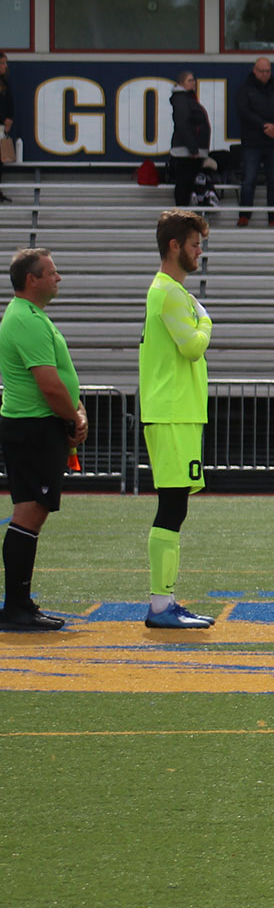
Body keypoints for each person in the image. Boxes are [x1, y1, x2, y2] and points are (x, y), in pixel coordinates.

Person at [138, 210, 217, 629]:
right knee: (172, 506)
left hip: (178, 413)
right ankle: (160, 605)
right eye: (194, 244)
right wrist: (206, 321)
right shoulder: (169, 293)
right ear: (175, 246)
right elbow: (192, 346)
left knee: (175, 506)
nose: (199, 251)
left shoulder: (172, 292)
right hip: (171, 413)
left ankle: (164, 601)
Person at [0, 249, 85, 631]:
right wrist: (72, 417)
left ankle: (18, 605)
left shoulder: (30, 316)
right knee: (30, 512)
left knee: (31, 511)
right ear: (31, 279)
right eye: (51, 272)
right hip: (34, 427)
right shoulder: (26, 319)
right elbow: (49, 385)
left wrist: (77, 411)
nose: (58, 278)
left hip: (34, 425)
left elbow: (60, 380)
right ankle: (16, 607)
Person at [236, 57, 274, 226]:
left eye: (268, 71)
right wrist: (263, 126)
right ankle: (244, 215)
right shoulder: (245, 90)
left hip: (273, 144)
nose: (265, 74)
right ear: (255, 70)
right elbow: (244, 111)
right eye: (262, 71)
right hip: (252, 143)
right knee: (249, 180)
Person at [168, 70, 211, 209]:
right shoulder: (181, 99)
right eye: (189, 80)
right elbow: (183, 124)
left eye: (193, 80)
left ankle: (184, 213)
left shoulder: (189, 98)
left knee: (188, 185)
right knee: (184, 185)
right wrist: (193, 148)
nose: (193, 83)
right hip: (186, 152)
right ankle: (181, 214)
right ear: (181, 83)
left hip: (192, 151)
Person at [0, 52, 14, 203]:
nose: (5, 66)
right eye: (2, 63)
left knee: (1, 160)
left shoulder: (4, 82)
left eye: (5, 63)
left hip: (2, 128)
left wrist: (9, 119)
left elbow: (9, 103)